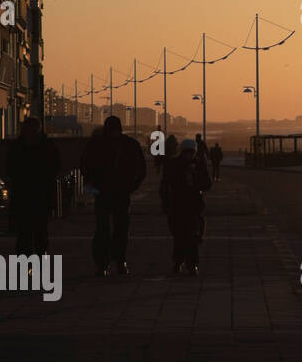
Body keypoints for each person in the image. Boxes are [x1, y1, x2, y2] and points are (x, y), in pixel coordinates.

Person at [80, 115, 147, 277]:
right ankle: (107, 263)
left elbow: (140, 169)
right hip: (107, 192)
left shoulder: (117, 145)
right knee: (107, 229)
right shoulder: (107, 145)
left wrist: (131, 186)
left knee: (118, 229)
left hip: (118, 192)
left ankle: (116, 261)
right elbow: (86, 165)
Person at [5, 117, 61, 256]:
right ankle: (36, 258)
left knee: (30, 231)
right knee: (35, 231)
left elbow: (10, 168)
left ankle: (30, 260)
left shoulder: (18, 147)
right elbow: (55, 167)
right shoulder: (47, 146)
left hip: (28, 194)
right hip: (36, 194)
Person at [162, 138, 213, 276]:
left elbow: (207, 183)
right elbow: (165, 185)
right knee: (179, 236)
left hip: (193, 205)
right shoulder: (174, 164)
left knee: (191, 236)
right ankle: (179, 262)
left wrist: (196, 178)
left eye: (191, 153)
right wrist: (166, 204)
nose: (189, 156)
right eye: (187, 153)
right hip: (179, 204)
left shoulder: (198, 164)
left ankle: (191, 264)